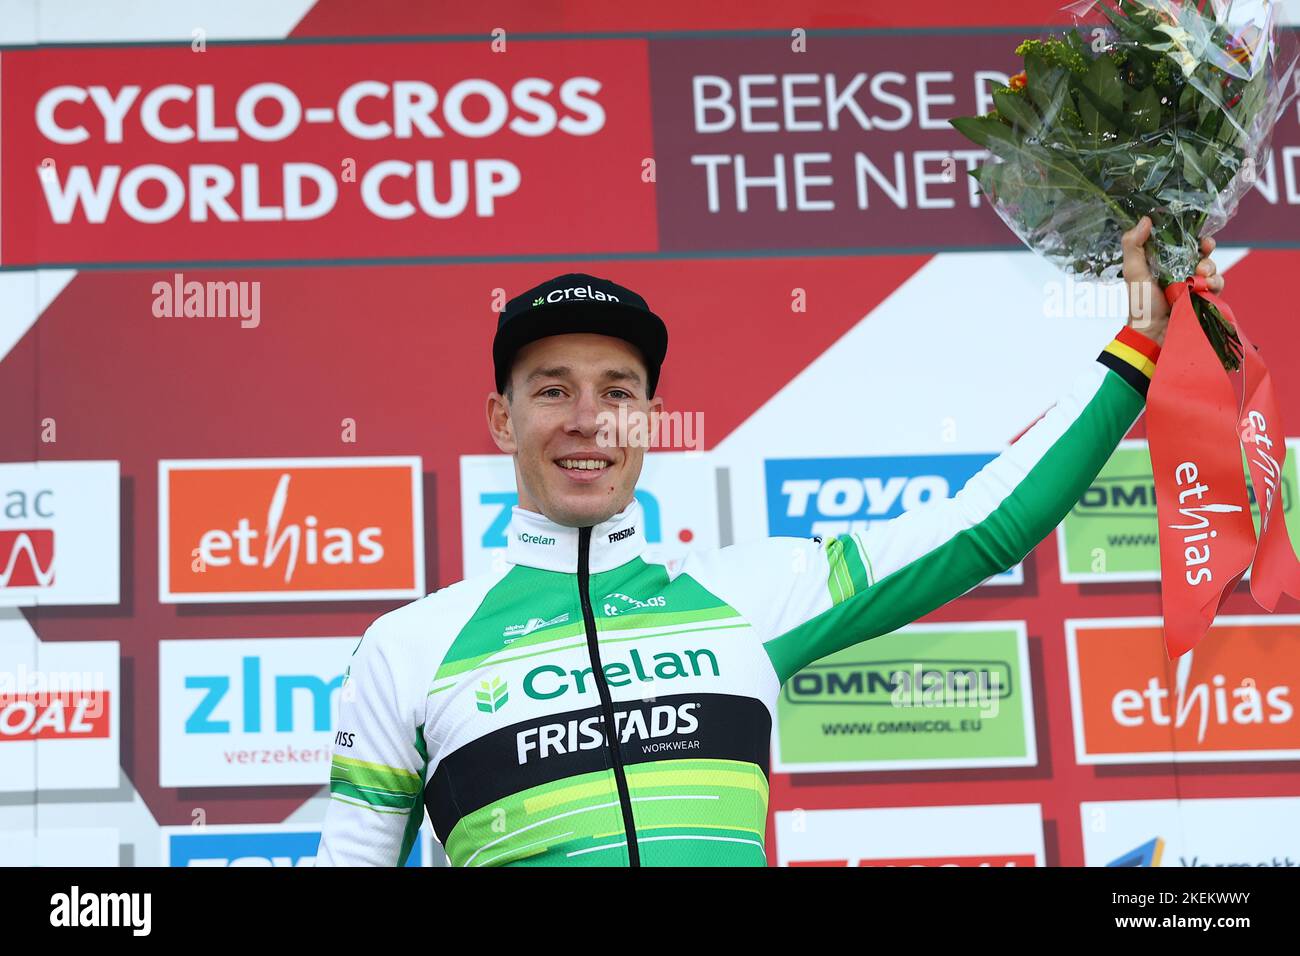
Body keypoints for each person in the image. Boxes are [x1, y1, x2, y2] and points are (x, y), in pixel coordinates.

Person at [317, 217, 1222, 867]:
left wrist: (1139, 344)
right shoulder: (409, 648)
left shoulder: (750, 594)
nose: (588, 420)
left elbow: (985, 527)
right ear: (500, 420)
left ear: (652, 422)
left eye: (618, 392)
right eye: (551, 390)